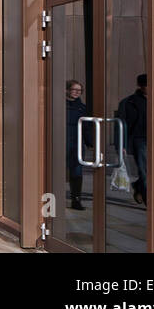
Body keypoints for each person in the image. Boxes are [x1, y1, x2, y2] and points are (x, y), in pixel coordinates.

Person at [116, 74, 147, 206]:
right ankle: (149, 202)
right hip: (140, 140)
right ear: (141, 86)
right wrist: (121, 144)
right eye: (147, 85)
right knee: (145, 171)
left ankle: (138, 186)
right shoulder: (128, 102)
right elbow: (121, 124)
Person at [65, 79, 87, 211]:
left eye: (80, 90)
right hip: (62, 140)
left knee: (77, 171)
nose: (77, 92)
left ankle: (76, 199)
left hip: (77, 142)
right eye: (74, 89)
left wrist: (91, 143)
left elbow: (87, 127)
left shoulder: (82, 108)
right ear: (67, 90)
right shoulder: (59, 105)